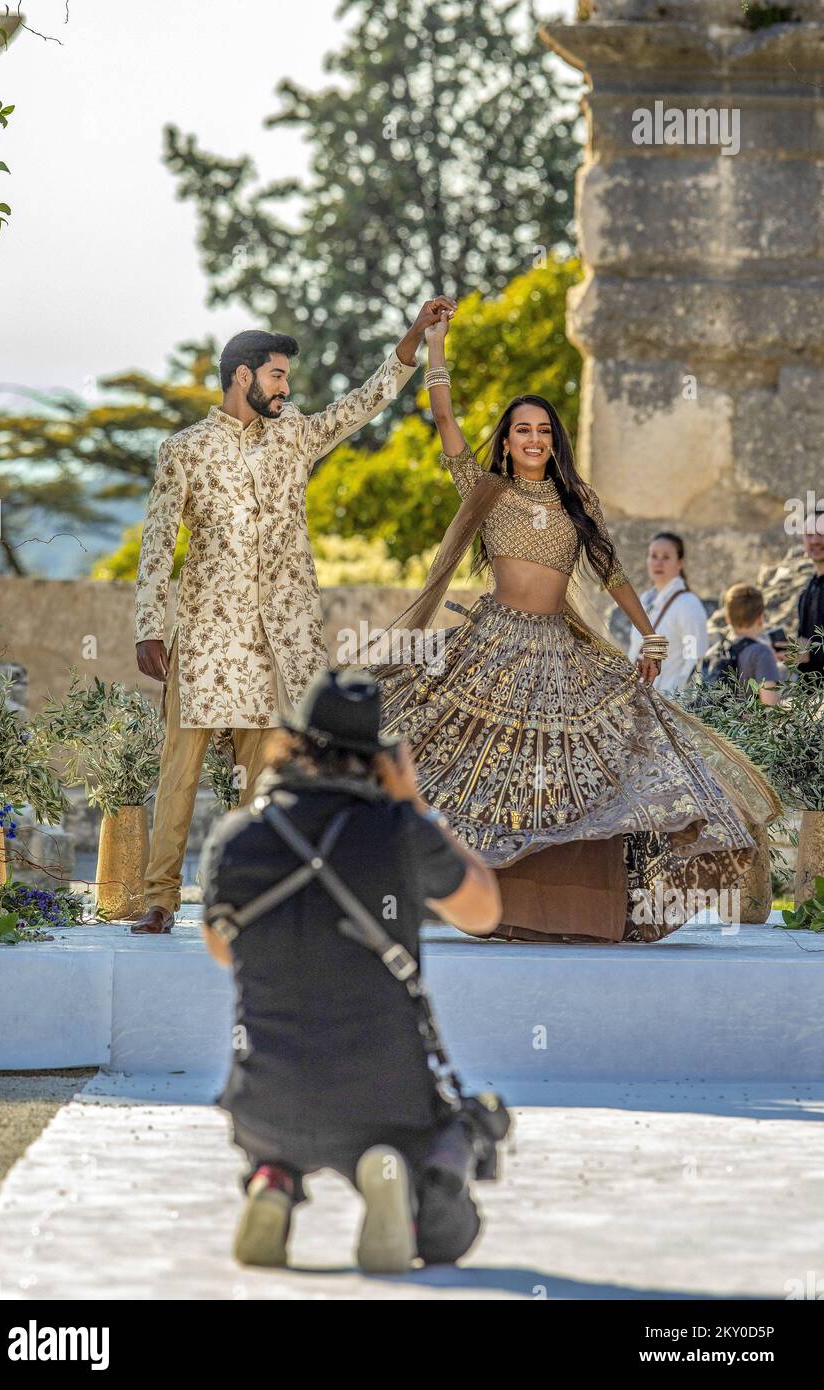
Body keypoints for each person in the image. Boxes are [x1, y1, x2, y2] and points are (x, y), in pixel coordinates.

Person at [358, 307, 782, 944]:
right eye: (521, 430)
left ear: (554, 442)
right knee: (475, 770)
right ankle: (469, 896)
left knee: (575, 773)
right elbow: (444, 419)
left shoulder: (578, 503)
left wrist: (651, 635)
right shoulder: (486, 490)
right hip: (493, 646)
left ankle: (570, 909)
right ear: (505, 440)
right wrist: (435, 344)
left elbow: (611, 573)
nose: (533, 440)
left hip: (559, 651)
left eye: (543, 432)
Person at [130, 298, 455, 934]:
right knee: (180, 777)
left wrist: (415, 336)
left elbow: (363, 404)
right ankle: (160, 897)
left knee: (267, 783)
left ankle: (254, 898)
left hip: (279, 644)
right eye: (278, 375)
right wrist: (148, 623)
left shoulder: (296, 436)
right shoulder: (186, 451)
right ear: (244, 377)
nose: (287, 387)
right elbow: (157, 540)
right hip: (206, 640)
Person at [200, 667, 505, 1273]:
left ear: (291, 742)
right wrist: (413, 801)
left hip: (267, 1095)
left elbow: (223, 948)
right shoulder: (398, 832)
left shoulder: (238, 836)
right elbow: (484, 910)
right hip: (385, 1098)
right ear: (381, 757)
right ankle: (394, 1177)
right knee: (452, 1219)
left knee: (276, 1139)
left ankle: (272, 1179)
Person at [627, 532, 710, 694]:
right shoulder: (644, 601)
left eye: (666, 557)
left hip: (669, 702)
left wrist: (681, 699)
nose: (658, 562)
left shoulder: (688, 604)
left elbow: (694, 658)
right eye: (653, 556)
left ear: (680, 563)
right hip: (640, 700)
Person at [713, 583, 782, 706]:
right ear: (760, 617)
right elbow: (772, 707)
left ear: (727, 618)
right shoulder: (761, 653)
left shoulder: (716, 650)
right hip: (746, 725)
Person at [794, 507, 824, 678]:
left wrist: (811, 652)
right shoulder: (807, 590)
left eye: (821, 533)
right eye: (809, 534)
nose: (815, 540)